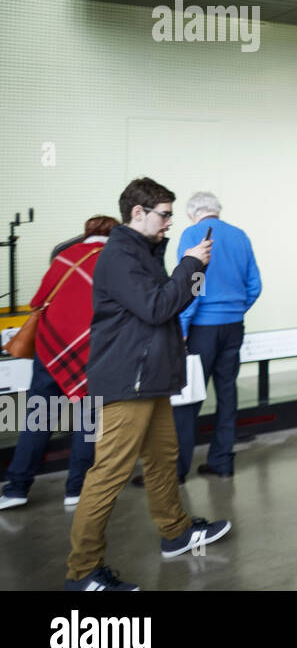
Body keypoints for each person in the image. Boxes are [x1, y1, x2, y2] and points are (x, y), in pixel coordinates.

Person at [65, 177, 232, 592]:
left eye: (171, 215)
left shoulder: (145, 252)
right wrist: (191, 264)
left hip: (151, 379)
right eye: (164, 215)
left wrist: (198, 270)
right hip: (127, 381)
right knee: (109, 474)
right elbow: (157, 308)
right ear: (137, 213)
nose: (169, 223)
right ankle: (82, 572)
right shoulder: (119, 256)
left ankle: (175, 532)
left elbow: (178, 300)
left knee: (163, 458)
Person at [0, 216, 117, 511]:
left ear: (86, 233)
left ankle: (16, 488)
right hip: (93, 352)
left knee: (37, 420)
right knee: (87, 423)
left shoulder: (65, 257)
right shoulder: (116, 261)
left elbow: (38, 301)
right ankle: (76, 490)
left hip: (51, 350)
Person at [172, 191, 261, 480]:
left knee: (189, 399)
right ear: (217, 210)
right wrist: (234, 309)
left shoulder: (193, 234)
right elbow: (254, 286)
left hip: (201, 328)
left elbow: (192, 285)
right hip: (234, 326)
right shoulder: (240, 236)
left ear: (192, 213)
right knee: (227, 392)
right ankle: (222, 462)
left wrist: (182, 329)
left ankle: (177, 470)